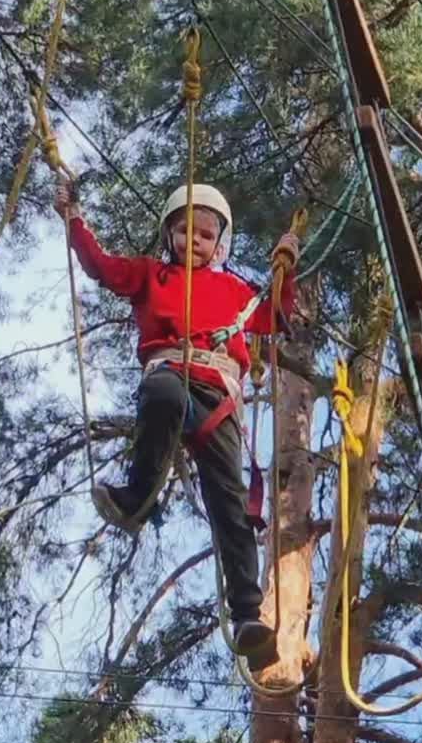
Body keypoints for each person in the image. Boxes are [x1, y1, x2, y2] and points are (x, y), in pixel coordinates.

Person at [54, 182, 299, 670]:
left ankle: (248, 614)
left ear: (220, 244)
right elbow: (101, 266)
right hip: (169, 371)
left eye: (206, 235)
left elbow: (275, 317)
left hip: (218, 395)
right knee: (163, 395)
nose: (194, 241)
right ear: (169, 235)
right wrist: (74, 217)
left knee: (230, 500)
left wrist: (285, 268)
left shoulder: (236, 290)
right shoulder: (152, 275)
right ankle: (137, 498)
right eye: (185, 231)